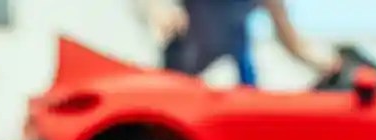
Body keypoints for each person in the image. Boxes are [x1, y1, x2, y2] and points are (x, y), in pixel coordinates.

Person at [134, 0, 339, 87]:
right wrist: (159, 10)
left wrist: (325, 63)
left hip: (234, 62)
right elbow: (154, 6)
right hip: (185, 61)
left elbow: (290, 41)